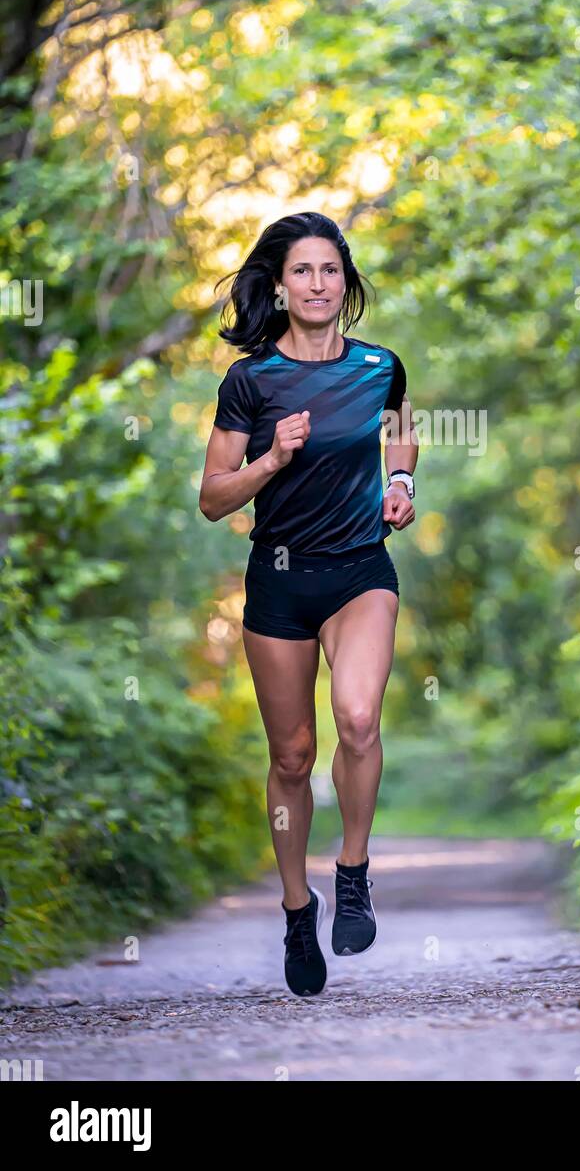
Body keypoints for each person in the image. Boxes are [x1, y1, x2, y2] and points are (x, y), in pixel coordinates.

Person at [198, 212, 417, 997]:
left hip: (360, 572)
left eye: (330, 271)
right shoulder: (250, 383)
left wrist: (401, 484)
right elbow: (212, 500)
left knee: (358, 719)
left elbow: (401, 434)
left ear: (345, 281)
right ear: (281, 286)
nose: (318, 284)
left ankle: (352, 870)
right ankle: (298, 910)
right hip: (280, 585)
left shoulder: (379, 366)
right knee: (291, 757)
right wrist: (270, 458)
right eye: (302, 272)